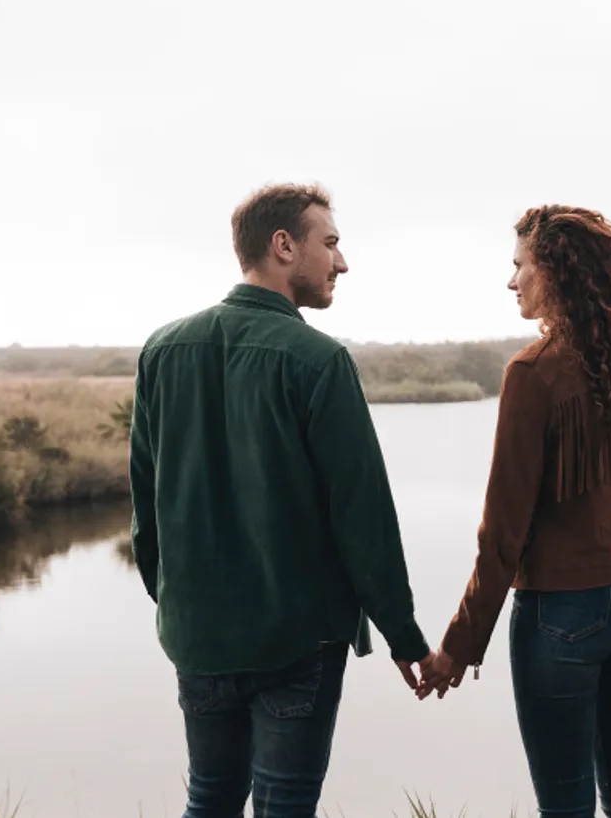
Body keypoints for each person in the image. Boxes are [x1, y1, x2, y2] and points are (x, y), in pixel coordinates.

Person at [130, 183, 431, 818]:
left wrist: (181, 603)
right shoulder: (319, 361)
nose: (341, 263)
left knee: (208, 799)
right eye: (331, 244)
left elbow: (145, 508)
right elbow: (364, 520)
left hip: (199, 636)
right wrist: (405, 638)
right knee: (285, 805)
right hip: (298, 640)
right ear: (283, 246)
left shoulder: (162, 350)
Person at [419, 204, 611, 818]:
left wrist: (457, 647)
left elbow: (503, 533)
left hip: (563, 614)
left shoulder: (533, 374)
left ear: (557, 273)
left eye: (520, 266)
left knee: (565, 806)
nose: (512, 281)